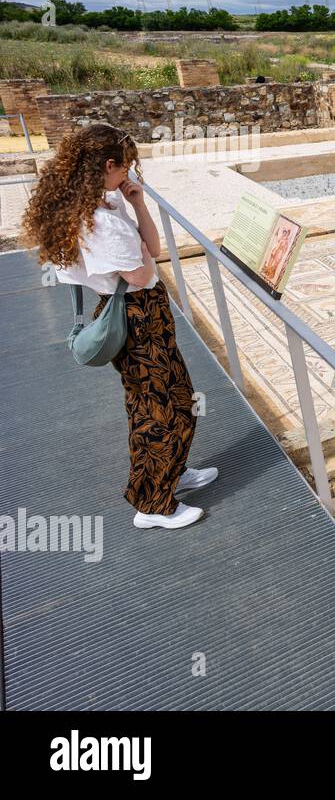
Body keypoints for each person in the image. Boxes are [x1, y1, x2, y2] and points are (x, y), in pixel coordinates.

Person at [21, 123, 216, 529]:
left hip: (145, 311)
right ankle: (152, 505)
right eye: (125, 167)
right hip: (136, 315)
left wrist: (139, 204)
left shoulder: (106, 202)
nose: (128, 174)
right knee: (156, 409)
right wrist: (143, 256)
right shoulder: (96, 219)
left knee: (176, 396)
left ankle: (173, 473)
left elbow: (154, 251)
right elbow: (142, 274)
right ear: (107, 165)